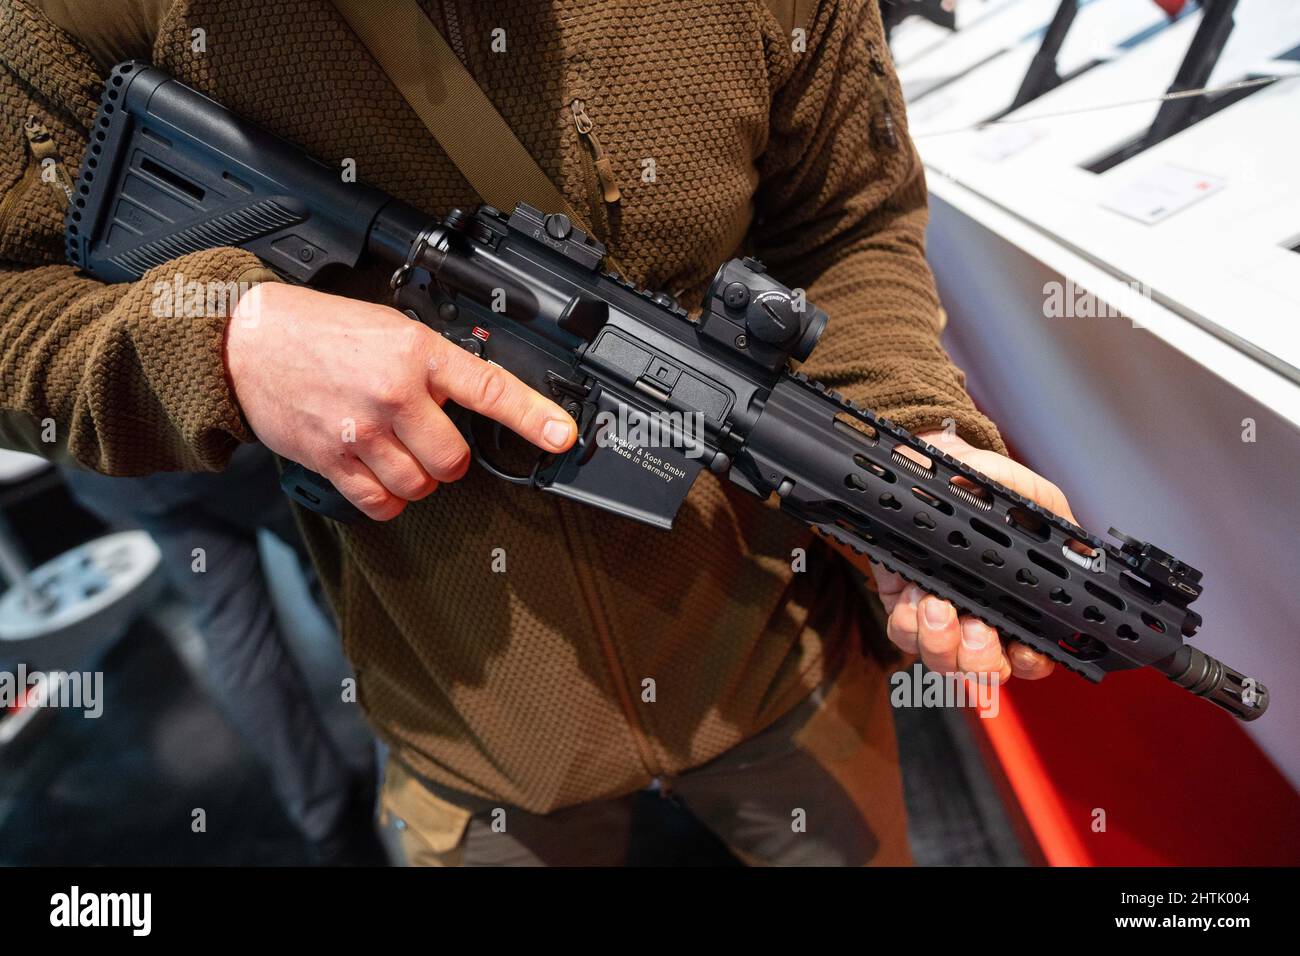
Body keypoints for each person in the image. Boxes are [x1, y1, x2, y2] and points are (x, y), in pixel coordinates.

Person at [0, 0, 1072, 865]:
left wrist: (918, 448)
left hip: (774, 657)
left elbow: (847, 223)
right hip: (459, 718)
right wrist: (224, 340)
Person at [61, 444, 384, 864]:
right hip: (225, 445)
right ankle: (413, 748)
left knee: (231, 626)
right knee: (332, 571)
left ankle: (322, 810)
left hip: (127, 468)